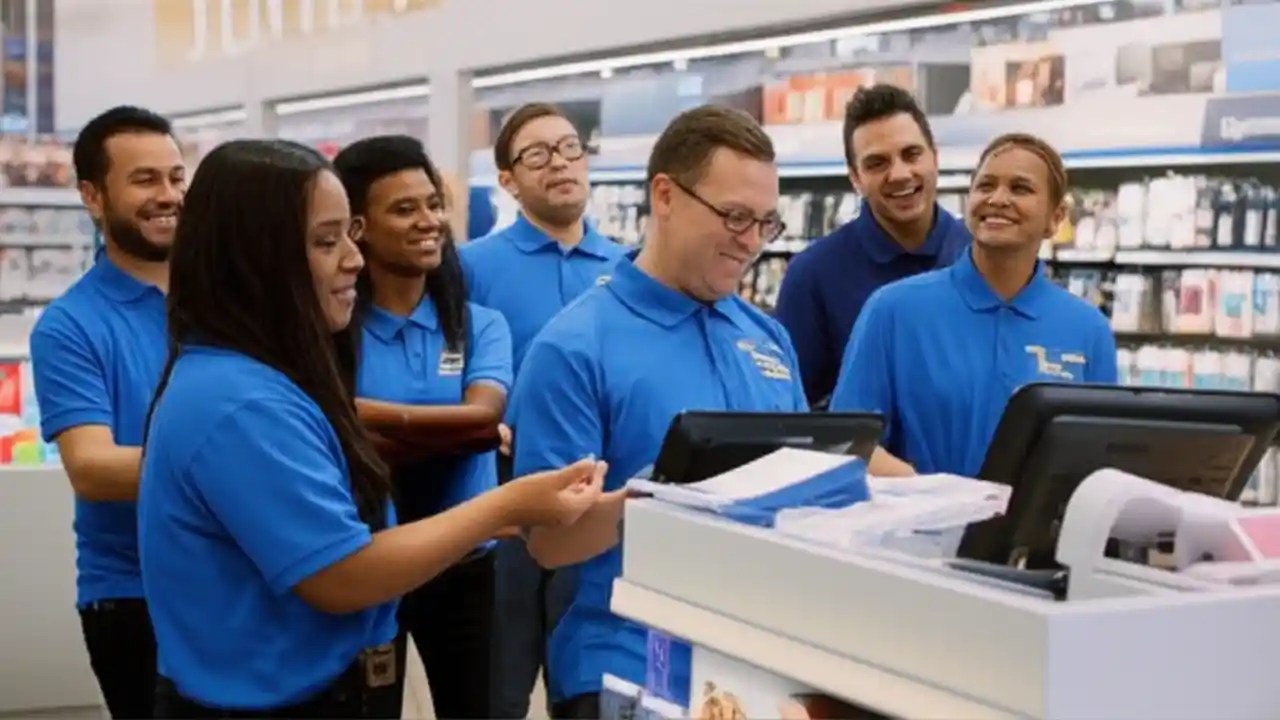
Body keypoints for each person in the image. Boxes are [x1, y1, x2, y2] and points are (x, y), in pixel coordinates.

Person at [136, 138, 606, 718]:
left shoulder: (264, 378)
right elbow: (343, 573)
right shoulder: (241, 403)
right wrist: (504, 506)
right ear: (258, 257)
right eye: (326, 241)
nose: (354, 259)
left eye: (349, 237)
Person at [509, 105, 913, 720]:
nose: (750, 241)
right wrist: (665, 499)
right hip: (629, 663)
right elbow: (548, 544)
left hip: (764, 656)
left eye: (764, 223)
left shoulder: (767, 338)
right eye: (733, 216)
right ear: (665, 196)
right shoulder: (573, 348)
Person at [332, 134, 510, 719]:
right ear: (356, 228)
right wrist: (455, 431)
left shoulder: (479, 326)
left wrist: (359, 414)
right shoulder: (331, 333)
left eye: (433, 204)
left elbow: (484, 417)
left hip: (466, 565)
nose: (428, 221)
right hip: (366, 561)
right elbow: (323, 424)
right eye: (404, 209)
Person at [459, 101, 627, 719]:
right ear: (508, 180)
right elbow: (448, 364)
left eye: (570, 148)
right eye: (538, 154)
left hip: (597, 498)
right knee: (500, 678)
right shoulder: (472, 266)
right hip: (505, 496)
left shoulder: (626, 269)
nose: (559, 163)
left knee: (579, 674)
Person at [829, 132, 1119, 477]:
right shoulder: (893, 310)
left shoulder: (1088, 330)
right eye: (985, 186)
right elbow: (847, 443)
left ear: (1055, 219)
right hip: (922, 527)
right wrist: (927, 493)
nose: (998, 198)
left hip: (1039, 531)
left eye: (1020, 188)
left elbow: (1101, 463)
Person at [29, 105, 185, 720]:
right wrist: (230, 469)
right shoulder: (71, 326)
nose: (168, 195)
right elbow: (92, 468)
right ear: (91, 196)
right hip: (134, 596)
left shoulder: (224, 300)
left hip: (233, 579)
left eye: (176, 176)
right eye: (145, 179)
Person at [774, 84, 970, 407]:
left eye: (911, 154)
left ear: (935, 157)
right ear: (854, 178)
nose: (900, 174)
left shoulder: (982, 256)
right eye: (877, 163)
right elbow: (792, 413)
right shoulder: (812, 276)